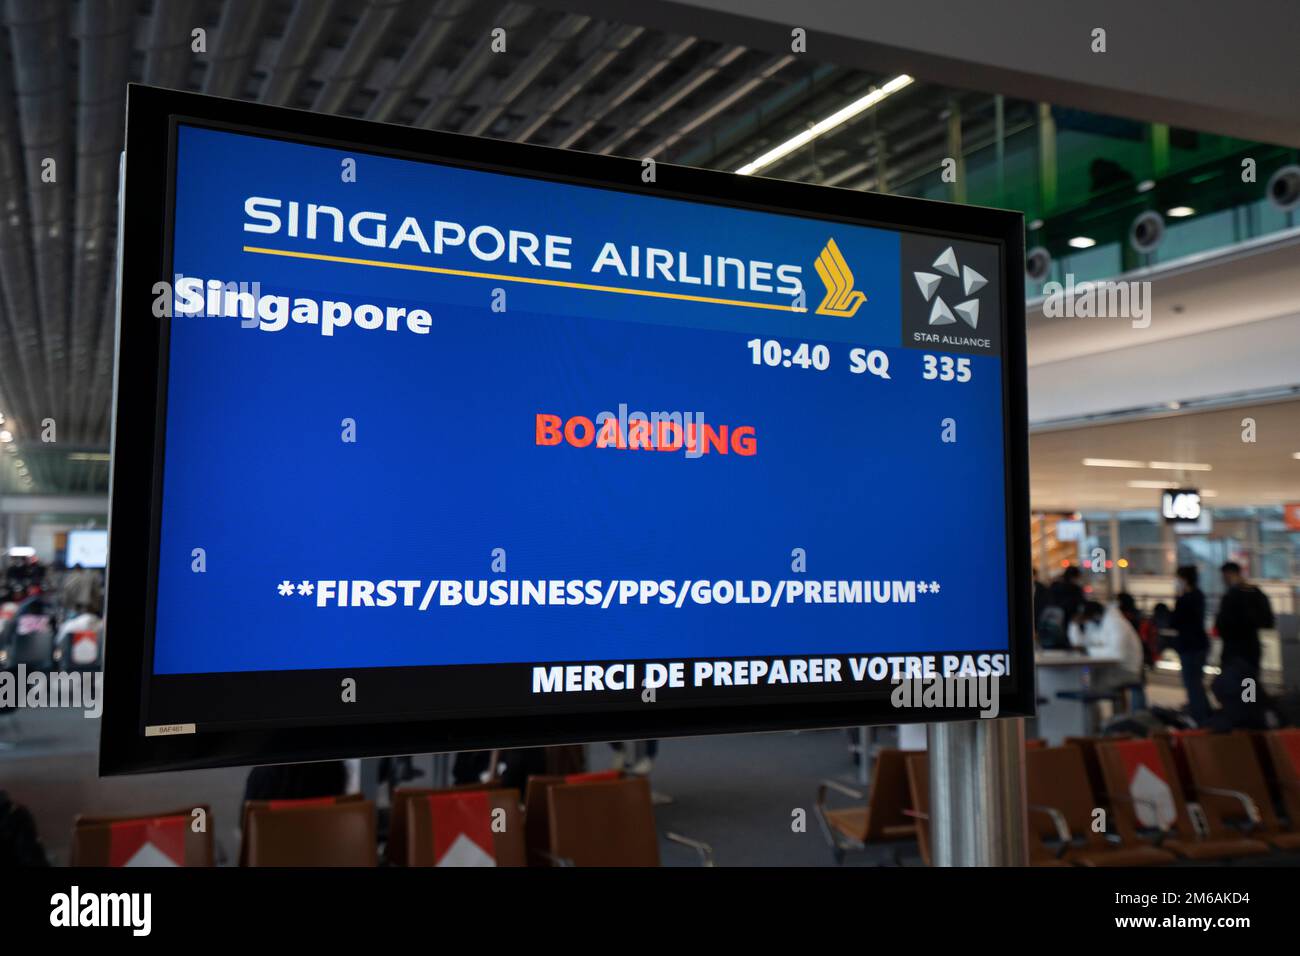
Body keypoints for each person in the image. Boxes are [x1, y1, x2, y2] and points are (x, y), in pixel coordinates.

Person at [1069, 600, 1144, 703]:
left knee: (1088, 684)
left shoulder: (1116, 623)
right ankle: (1094, 715)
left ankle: (1097, 715)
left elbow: (1117, 655)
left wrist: (1088, 651)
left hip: (1127, 669)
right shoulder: (1095, 624)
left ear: (1095, 615)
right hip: (1111, 667)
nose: (1086, 622)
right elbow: (1082, 644)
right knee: (1084, 678)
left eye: (1086, 618)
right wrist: (1074, 625)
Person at [1215, 561, 1274, 678]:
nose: (1223, 580)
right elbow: (1268, 621)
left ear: (1229, 574)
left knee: (1233, 688)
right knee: (1248, 686)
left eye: (1224, 576)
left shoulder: (1231, 595)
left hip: (1234, 650)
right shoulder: (1255, 592)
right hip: (1251, 648)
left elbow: (1222, 624)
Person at [1171, 566, 1210, 724]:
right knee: (1197, 682)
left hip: (1189, 645)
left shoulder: (1185, 599)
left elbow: (1176, 621)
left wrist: (1178, 599)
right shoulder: (1199, 595)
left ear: (1184, 579)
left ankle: (1200, 717)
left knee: (1192, 683)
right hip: (1200, 644)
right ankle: (1205, 714)